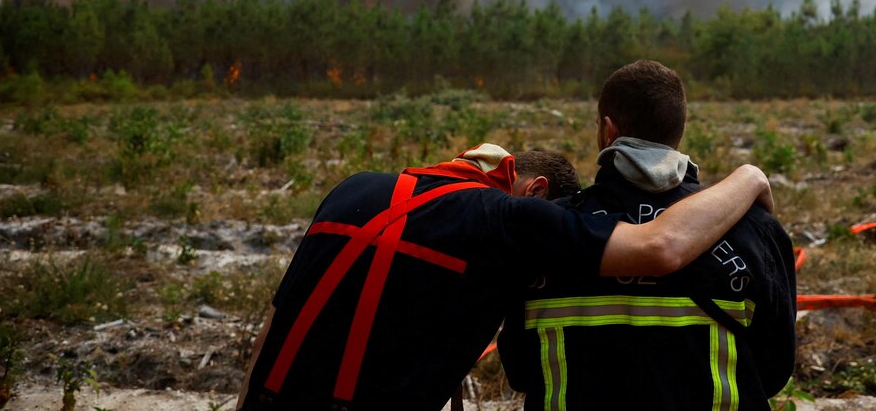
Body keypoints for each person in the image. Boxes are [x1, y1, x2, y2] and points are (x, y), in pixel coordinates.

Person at [236, 142, 773, 411]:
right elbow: (662, 246)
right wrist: (748, 179)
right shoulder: (508, 219)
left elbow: (272, 328)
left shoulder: (356, 189)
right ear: (537, 192)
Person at [499, 60, 797, 410]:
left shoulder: (549, 231)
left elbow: (519, 369)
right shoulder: (755, 230)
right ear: (680, 129)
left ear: (608, 131)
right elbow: (774, 369)